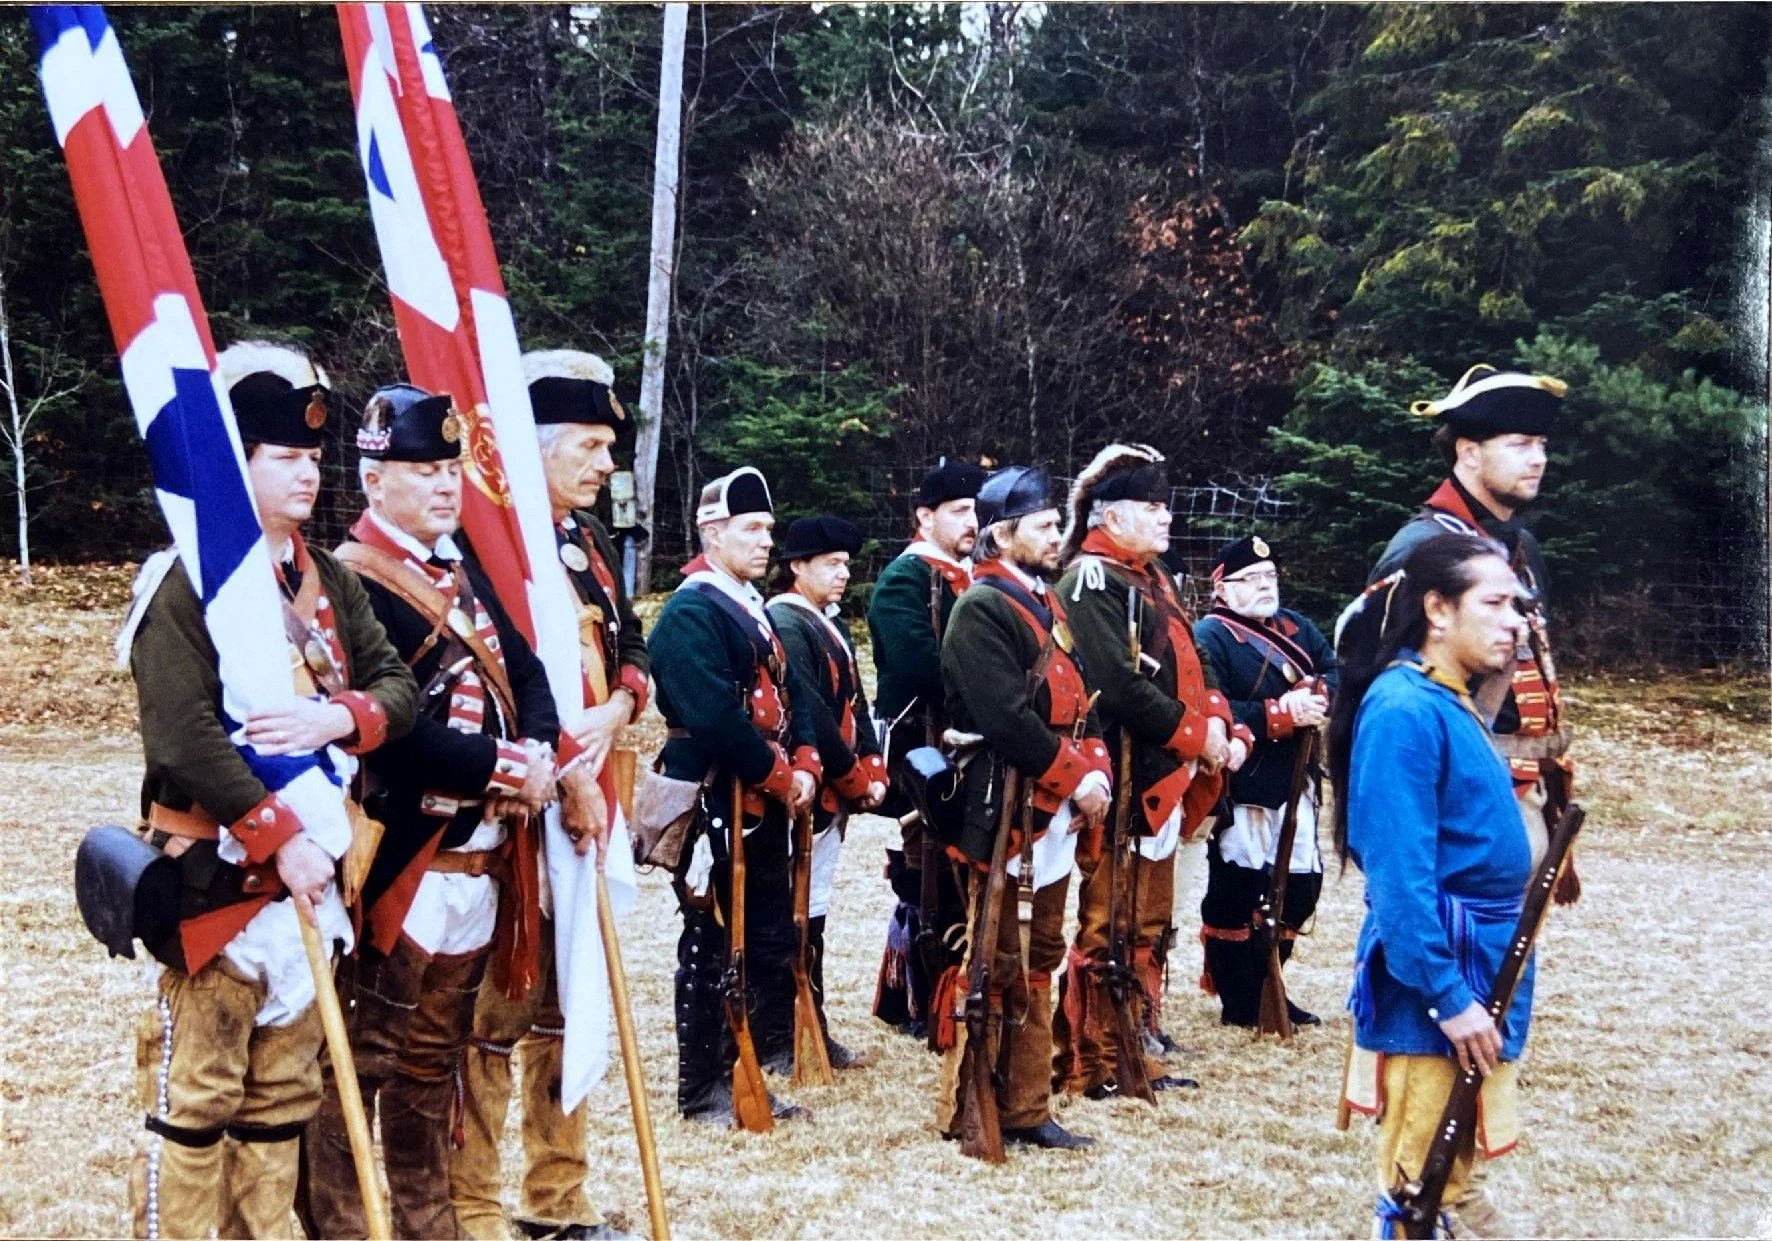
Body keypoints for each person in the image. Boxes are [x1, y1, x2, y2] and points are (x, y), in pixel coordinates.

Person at [122, 341, 417, 1239]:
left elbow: (397, 687)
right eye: (282, 456)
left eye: (312, 457)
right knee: (197, 1098)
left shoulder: (325, 577)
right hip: (222, 879)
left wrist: (341, 720)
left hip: (314, 882)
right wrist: (276, 831)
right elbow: (181, 734)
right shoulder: (181, 580)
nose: (306, 473)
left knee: (282, 1098)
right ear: (234, 462)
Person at [302, 384, 560, 1239]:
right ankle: (343, 1223)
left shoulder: (457, 565)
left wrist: (543, 748)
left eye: (450, 468)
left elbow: (526, 671)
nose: (445, 485)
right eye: (422, 470)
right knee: (363, 1060)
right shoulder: (350, 577)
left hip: (480, 856)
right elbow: (391, 728)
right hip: (407, 853)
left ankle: (426, 1223)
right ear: (375, 481)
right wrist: (502, 762)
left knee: (430, 1065)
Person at [450, 349, 651, 1241]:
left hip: (593, 798)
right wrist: (565, 764)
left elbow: (632, 644)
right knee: (498, 1012)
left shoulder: (586, 544)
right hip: (520, 806)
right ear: (532, 448)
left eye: (609, 445)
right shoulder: (481, 545)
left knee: (574, 1007)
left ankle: (555, 1200)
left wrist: (619, 704)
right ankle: (468, 1205)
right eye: (591, 443)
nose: (607, 464)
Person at [1332, 532, 1539, 1240]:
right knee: (1417, 1173)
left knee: (1453, 1166)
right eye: (1496, 602)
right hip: (1438, 969)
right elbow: (1399, 879)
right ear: (1437, 609)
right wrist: (1448, 995)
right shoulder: (1403, 709)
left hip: (1477, 954)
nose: (1514, 619)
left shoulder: (1447, 699)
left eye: (1518, 604)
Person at [1050, 444, 1244, 1098]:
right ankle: (1091, 1058)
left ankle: (1135, 1038)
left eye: (1166, 506)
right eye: (1151, 507)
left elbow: (1196, 661)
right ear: (1108, 514)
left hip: (1165, 772)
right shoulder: (1091, 579)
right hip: (1127, 771)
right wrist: (1195, 736)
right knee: (1108, 919)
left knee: (1149, 918)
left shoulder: (1150, 577)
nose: (1166, 517)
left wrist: (1218, 719)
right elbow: (1114, 683)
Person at [938, 464, 1112, 1151]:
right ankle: (985, 1095)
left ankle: (1029, 1100)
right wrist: (1077, 776)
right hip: (1007, 800)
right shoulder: (982, 606)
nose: (1057, 535)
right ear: (1002, 533)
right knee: (999, 955)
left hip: (1053, 801)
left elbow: (1082, 699)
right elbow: (1008, 720)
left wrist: (1092, 767)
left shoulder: (1044, 599)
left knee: (1041, 948)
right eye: (1043, 524)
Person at [646, 466, 823, 1125]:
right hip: (713, 793)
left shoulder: (748, 603)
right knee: (711, 937)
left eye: (769, 529)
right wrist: (781, 777)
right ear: (711, 532)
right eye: (750, 528)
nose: (765, 540)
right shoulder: (693, 609)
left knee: (754, 935)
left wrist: (805, 759)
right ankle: (702, 1089)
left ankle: (738, 1068)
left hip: (759, 795)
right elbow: (716, 716)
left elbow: (793, 694)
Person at [1365, 364, 1578, 902]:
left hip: (1514, 796)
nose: (1538, 458)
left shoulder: (1519, 546)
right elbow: (1379, 692)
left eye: (1542, 444)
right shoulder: (1422, 551)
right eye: (1521, 443)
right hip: (1452, 811)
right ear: (1468, 453)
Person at [1192, 534, 1337, 1028]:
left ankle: (1267, 981)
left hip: (1295, 778)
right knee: (1239, 884)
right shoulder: (1210, 635)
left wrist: (1315, 695)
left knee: (1300, 888)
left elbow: (1334, 672)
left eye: (1269, 577)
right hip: (1245, 778)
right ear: (1223, 588)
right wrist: (1278, 714)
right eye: (1250, 579)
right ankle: (1239, 997)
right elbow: (1211, 705)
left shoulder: (1297, 627)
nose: (1263, 587)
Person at [764, 515, 888, 1072]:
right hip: (806, 787)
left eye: (845, 564)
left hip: (834, 788)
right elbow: (810, 707)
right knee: (791, 911)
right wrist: (852, 776)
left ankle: (808, 1025)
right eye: (831, 564)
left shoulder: (825, 622)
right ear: (797, 567)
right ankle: (783, 1032)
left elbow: (854, 705)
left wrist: (871, 763)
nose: (844, 574)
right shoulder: (788, 622)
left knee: (812, 911)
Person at [865, 460, 983, 1040]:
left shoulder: (972, 576)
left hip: (967, 739)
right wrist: (988, 695)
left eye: (976, 511)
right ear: (924, 517)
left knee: (962, 861)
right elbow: (916, 665)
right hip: (923, 742)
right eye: (959, 511)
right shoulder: (905, 579)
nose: (972, 521)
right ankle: (919, 996)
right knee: (925, 866)